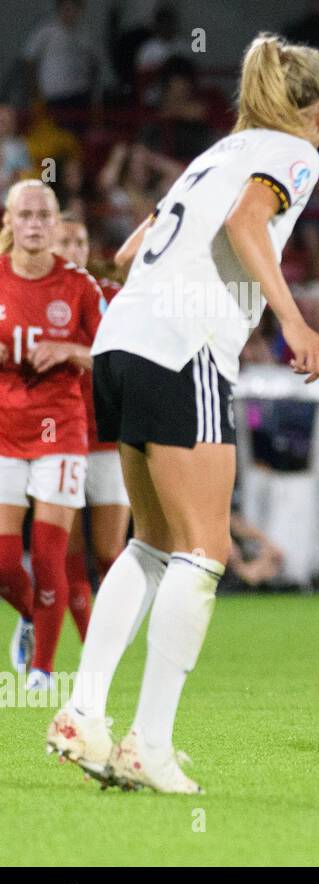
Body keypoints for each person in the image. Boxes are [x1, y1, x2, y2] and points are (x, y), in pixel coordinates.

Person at [45, 33, 319, 794]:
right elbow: (246, 221)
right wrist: (293, 320)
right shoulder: (291, 153)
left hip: (122, 341)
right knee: (204, 552)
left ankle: (82, 711)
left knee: (152, 545)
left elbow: (130, 247)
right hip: (186, 349)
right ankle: (150, 742)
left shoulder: (220, 150)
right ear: (316, 111)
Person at [0, 180, 104, 690]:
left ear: (56, 220)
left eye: (45, 215)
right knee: (2, 562)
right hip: (4, 430)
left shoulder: (78, 286)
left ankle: (42, 670)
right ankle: (30, 614)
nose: (36, 224)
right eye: (27, 215)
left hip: (60, 430)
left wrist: (69, 352)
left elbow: (110, 356)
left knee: (47, 554)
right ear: (10, 221)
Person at [52, 216, 129, 643]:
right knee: (69, 548)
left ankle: (114, 631)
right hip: (58, 436)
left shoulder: (113, 297)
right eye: (67, 241)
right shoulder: (37, 298)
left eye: (81, 240)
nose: (76, 249)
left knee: (109, 550)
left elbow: (119, 357)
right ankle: (89, 640)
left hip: (108, 436)